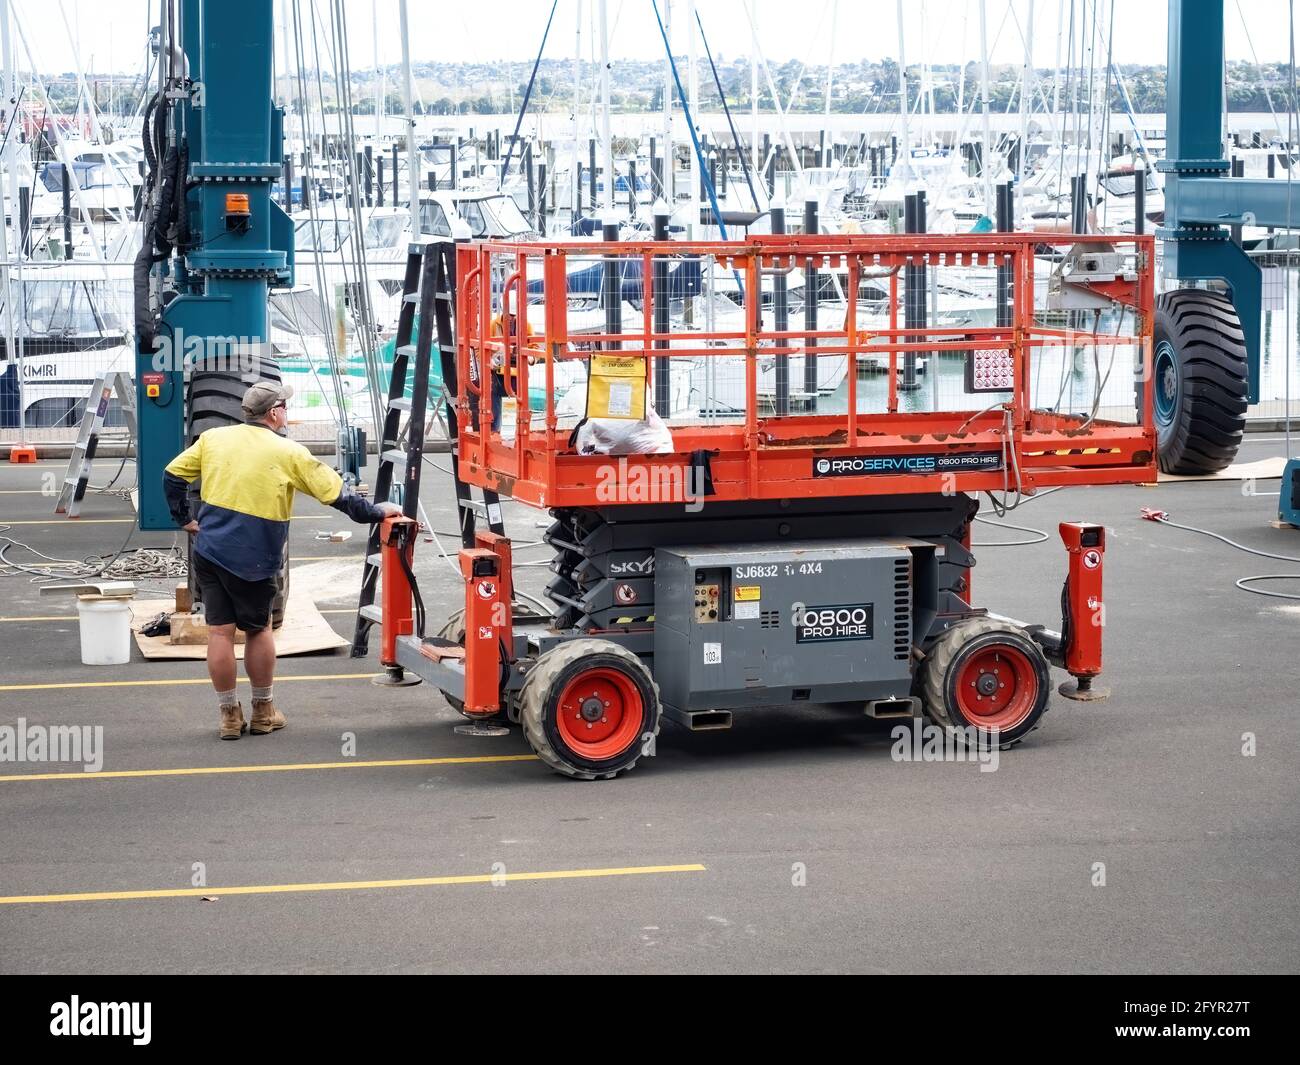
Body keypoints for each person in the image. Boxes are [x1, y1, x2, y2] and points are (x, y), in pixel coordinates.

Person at [163, 382, 401, 740]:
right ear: (274, 413)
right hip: (254, 559)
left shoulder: (213, 440)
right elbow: (337, 495)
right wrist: (376, 513)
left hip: (210, 551)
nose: (286, 414)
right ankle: (263, 710)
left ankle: (229, 715)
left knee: (219, 632)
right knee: (258, 630)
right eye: (285, 407)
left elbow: (172, 476)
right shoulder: (288, 451)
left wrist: (184, 518)